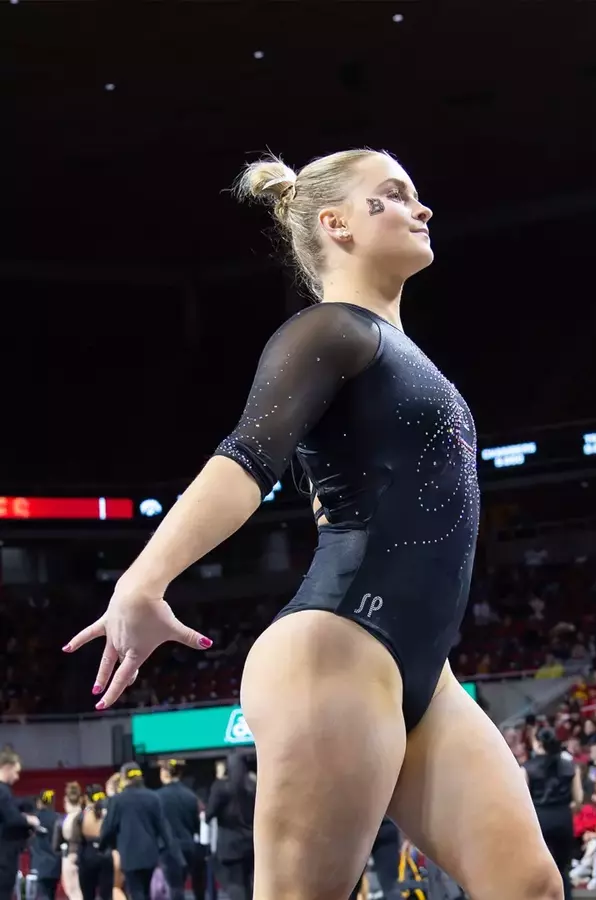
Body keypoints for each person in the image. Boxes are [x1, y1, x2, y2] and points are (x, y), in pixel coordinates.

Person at [63, 149, 563, 900]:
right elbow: (246, 459)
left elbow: (349, 489)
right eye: (393, 196)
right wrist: (144, 578)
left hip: (426, 674)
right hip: (337, 649)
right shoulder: (327, 330)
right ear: (336, 225)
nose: (420, 208)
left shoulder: (401, 351)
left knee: (528, 886)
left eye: (418, 194)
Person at [100, 763, 176, 900]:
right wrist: (169, 850)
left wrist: (105, 846)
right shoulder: (153, 797)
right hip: (150, 854)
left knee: (135, 891)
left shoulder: (117, 800)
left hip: (129, 854)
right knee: (146, 891)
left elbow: (108, 828)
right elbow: (163, 827)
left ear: (124, 778)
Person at [525, 727, 581, 899]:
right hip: (563, 818)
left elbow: (524, 801)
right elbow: (578, 799)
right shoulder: (570, 766)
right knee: (563, 869)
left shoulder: (526, 768)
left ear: (538, 743)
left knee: (540, 870)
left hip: (540, 819)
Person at [207, 752, 255, 900]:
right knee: (251, 882)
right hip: (251, 841)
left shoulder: (221, 787)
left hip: (230, 844)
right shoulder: (253, 785)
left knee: (235, 883)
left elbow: (209, 814)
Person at [156, 761, 203, 900]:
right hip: (188, 846)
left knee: (174, 887)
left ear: (165, 773)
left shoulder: (157, 797)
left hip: (169, 848)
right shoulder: (191, 796)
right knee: (180, 884)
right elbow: (197, 825)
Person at [0, 749, 43, 900]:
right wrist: (29, 820)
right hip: (4, 857)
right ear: (7, 767)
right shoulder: (2, 791)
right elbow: (12, 819)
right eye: (16, 772)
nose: (17, 777)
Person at [29, 789, 64, 900]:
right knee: (51, 894)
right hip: (55, 864)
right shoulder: (58, 818)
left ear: (39, 802)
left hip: (39, 864)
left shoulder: (34, 819)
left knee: (42, 895)